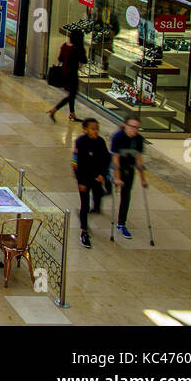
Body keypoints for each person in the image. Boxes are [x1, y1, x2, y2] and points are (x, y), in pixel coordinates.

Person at [72, 118, 110, 249]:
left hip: (97, 178)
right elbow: (75, 163)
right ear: (85, 129)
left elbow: (106, 159)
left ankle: (96, 207)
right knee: (85, 204)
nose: (95, 131)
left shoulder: (100, 142)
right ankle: (84, 231)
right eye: (92, 129)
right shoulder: (80, 142)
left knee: (98, 194)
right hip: (84, 178)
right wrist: (80, 181)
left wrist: (103, 174)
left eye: (97, 129)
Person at [110, 115, 148, 239]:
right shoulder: (118, 137)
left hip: (129, 169)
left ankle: (121, 223)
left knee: (126, 195)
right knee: (106, 188)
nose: (135, 130)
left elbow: (139, 160)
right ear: (126, 125)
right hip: (118, 167)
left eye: (137, 128)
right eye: (132, 127)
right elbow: (115, 159)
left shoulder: (138, 140)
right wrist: (117, 177)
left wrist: (143, 179)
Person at [48, 28, 87, 121]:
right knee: (72, 94)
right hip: (72, 74)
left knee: (71, 94)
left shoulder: (65, 45)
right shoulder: (78, 48)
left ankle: (72, 113)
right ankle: (54, 109)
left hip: (64, 72)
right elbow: (84, 60)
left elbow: (60, 59)